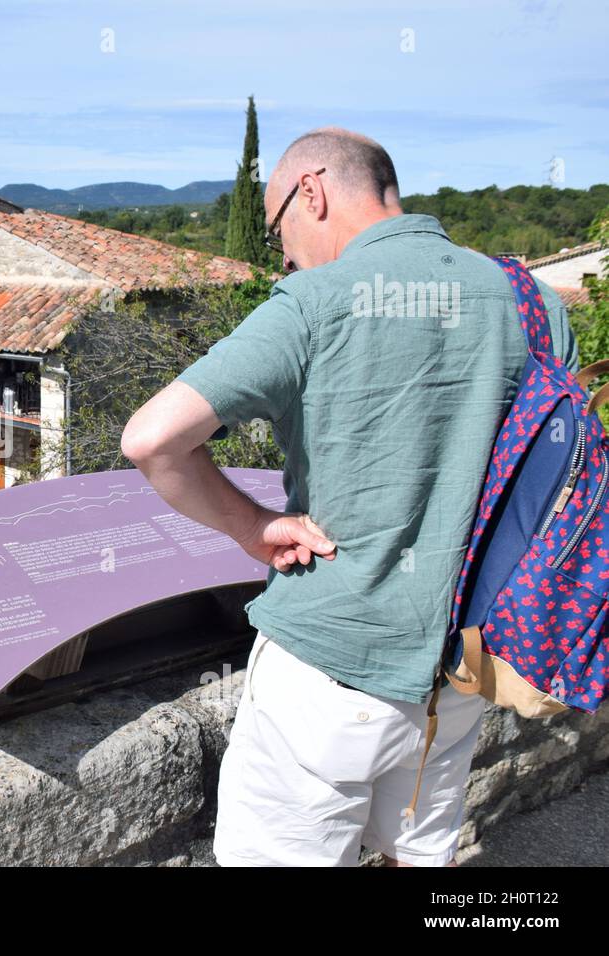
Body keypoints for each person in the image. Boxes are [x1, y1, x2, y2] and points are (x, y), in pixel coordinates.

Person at [121, 127, 580, 867]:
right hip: (460, 664)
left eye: (278, 234)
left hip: (331, 666)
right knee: (419, 855)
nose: (286, 255)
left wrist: (250, 526)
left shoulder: (314, 300)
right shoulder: (530, 301)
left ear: (313, 190)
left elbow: (152, 439)